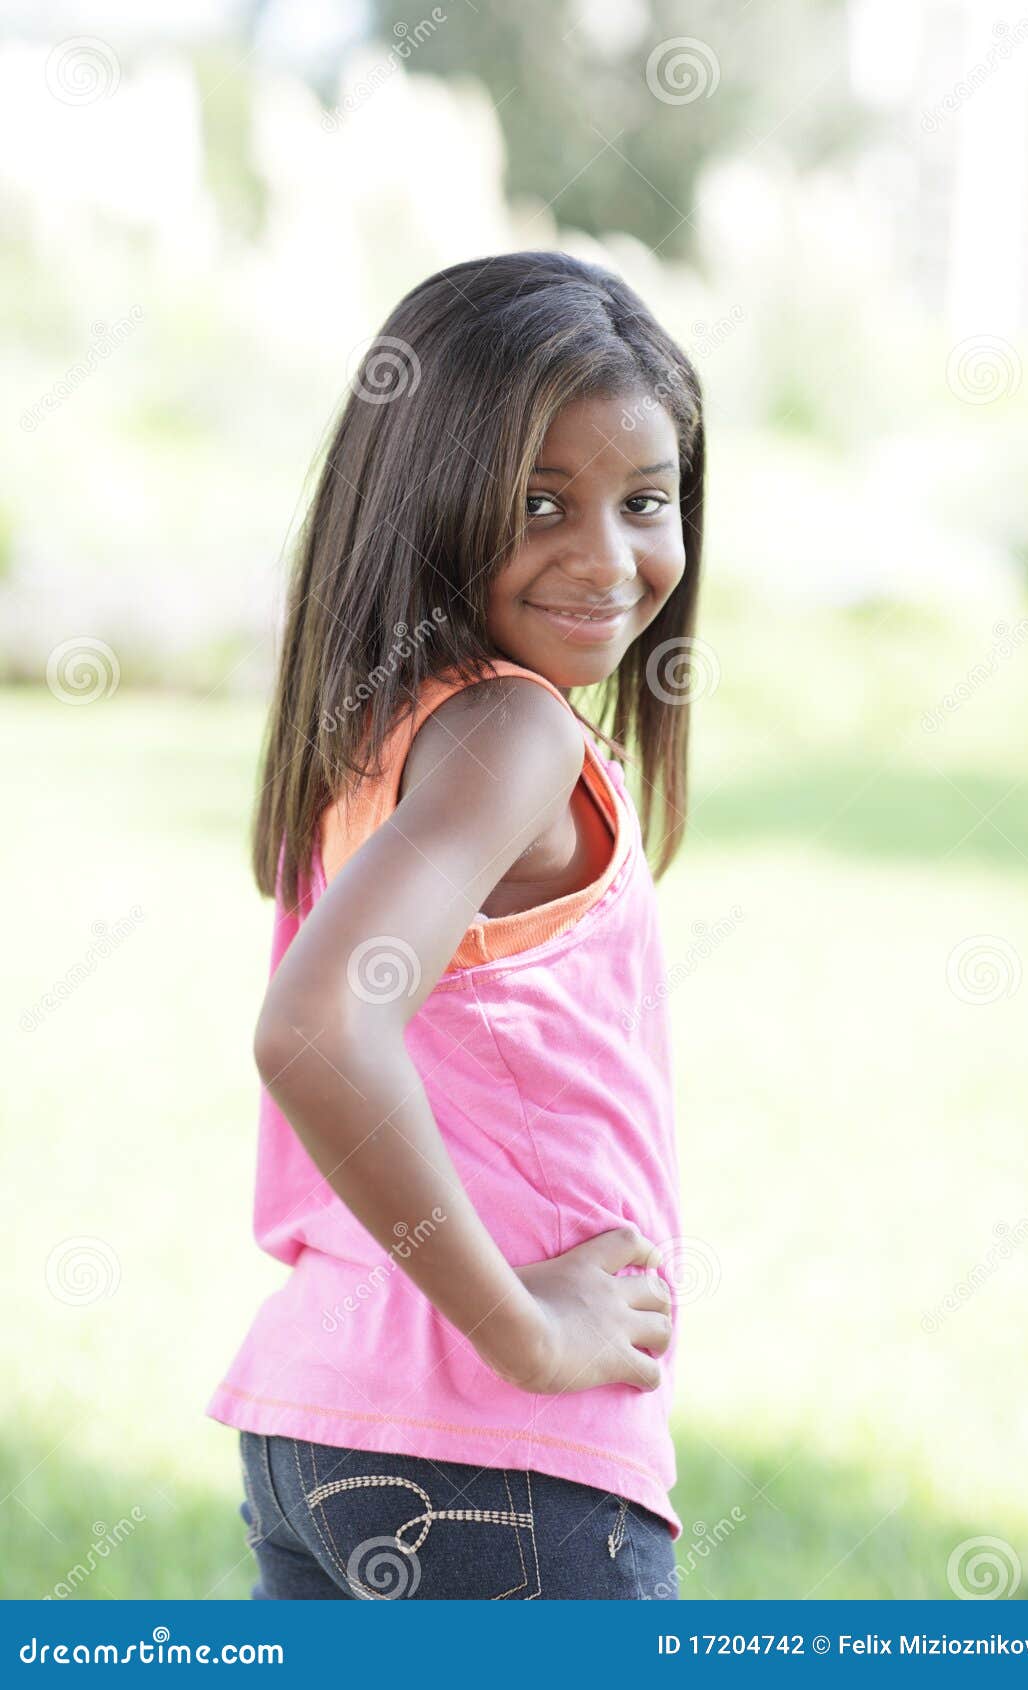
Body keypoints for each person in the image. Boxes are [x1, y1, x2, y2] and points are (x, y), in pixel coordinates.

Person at [206, 249, 705, 1599]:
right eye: (544, 502)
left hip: (330, 1420)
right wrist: (529, 1330)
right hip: (496, 1462)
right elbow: (316, 1030)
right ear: (434, 500)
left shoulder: (391, 730)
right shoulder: (511, 735)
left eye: (645, 501)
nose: (608, 559)